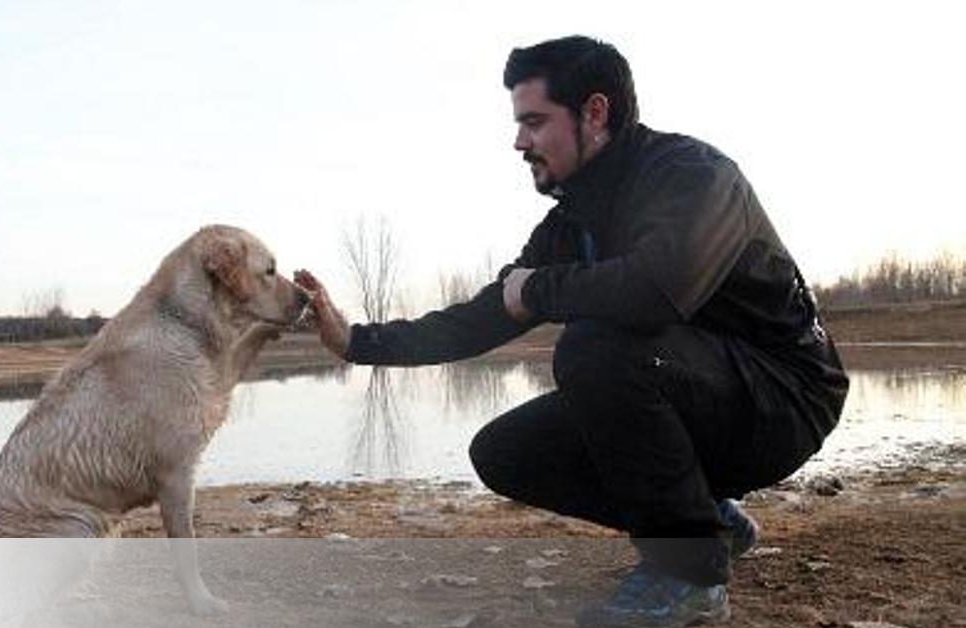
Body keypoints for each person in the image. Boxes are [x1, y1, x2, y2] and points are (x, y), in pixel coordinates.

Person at [295, 35, 848, 627]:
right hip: (701, 397)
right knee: (504, 452)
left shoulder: (693, 176)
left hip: (786, 398)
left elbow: (656, 290)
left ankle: (689, 573)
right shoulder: (570, 223)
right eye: (518, 124)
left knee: (596, 344)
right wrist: (356, 340)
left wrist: (535, 289)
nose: (519, 142)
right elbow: (480, 318)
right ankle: (706, 521)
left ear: (595, 112)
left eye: (534, 121)